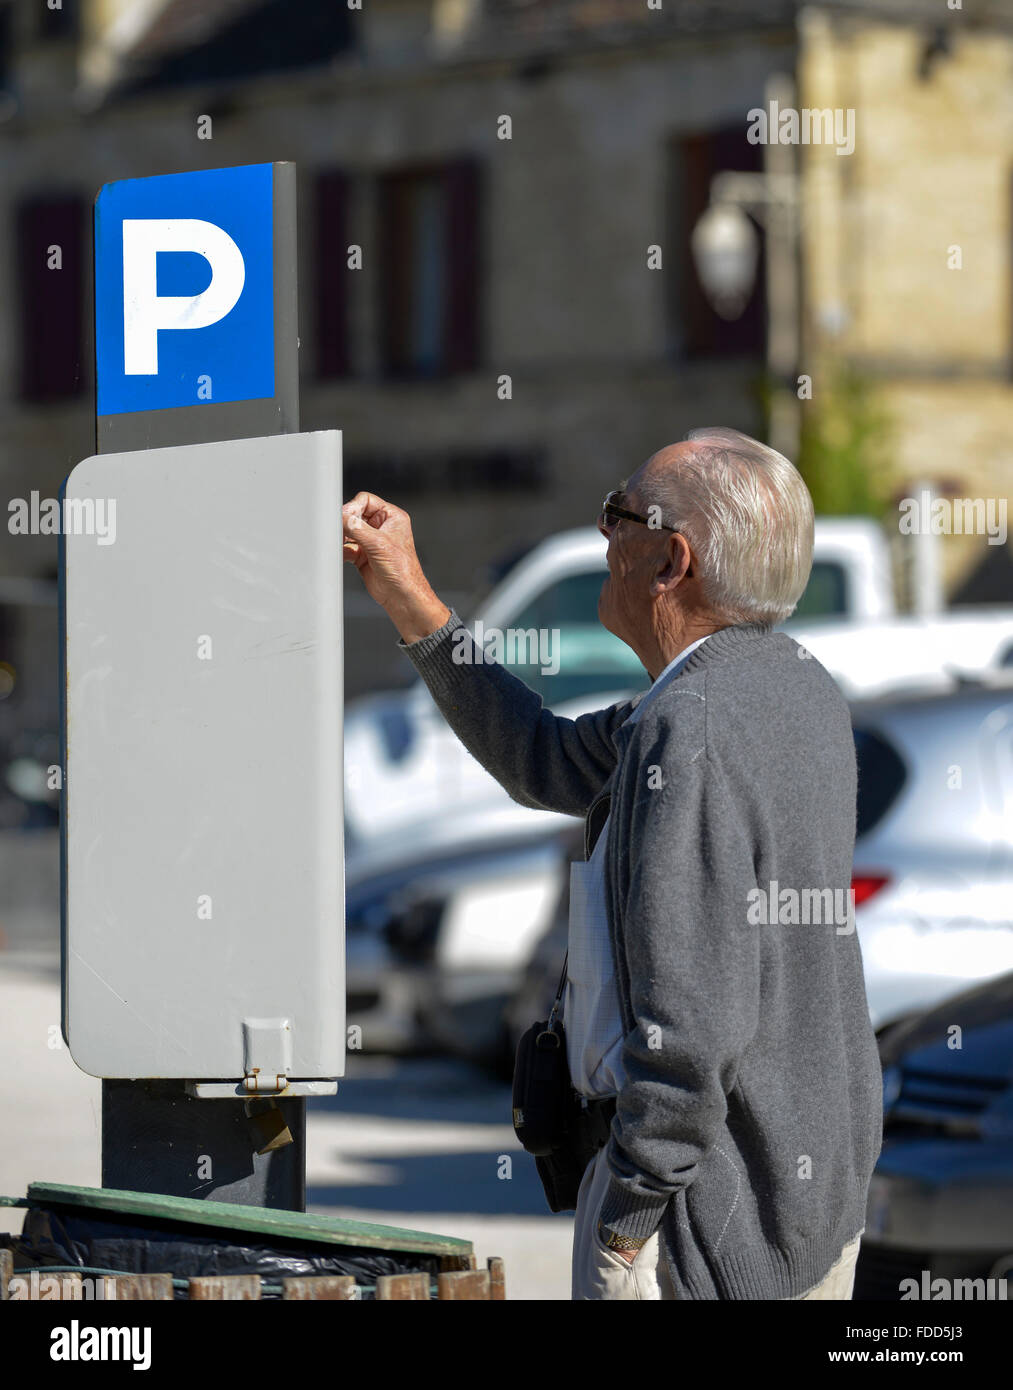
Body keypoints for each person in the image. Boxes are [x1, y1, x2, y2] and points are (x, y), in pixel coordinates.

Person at [342, 427, 883, 1300]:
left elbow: (691, 1017)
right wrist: (411, 597)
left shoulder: (693, 726)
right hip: (785, 1211)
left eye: (616, 515)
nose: (602, 538)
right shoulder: (786, 686)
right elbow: (540, 758)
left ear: (671, 560)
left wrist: (630, 1207)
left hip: (696, 1226)